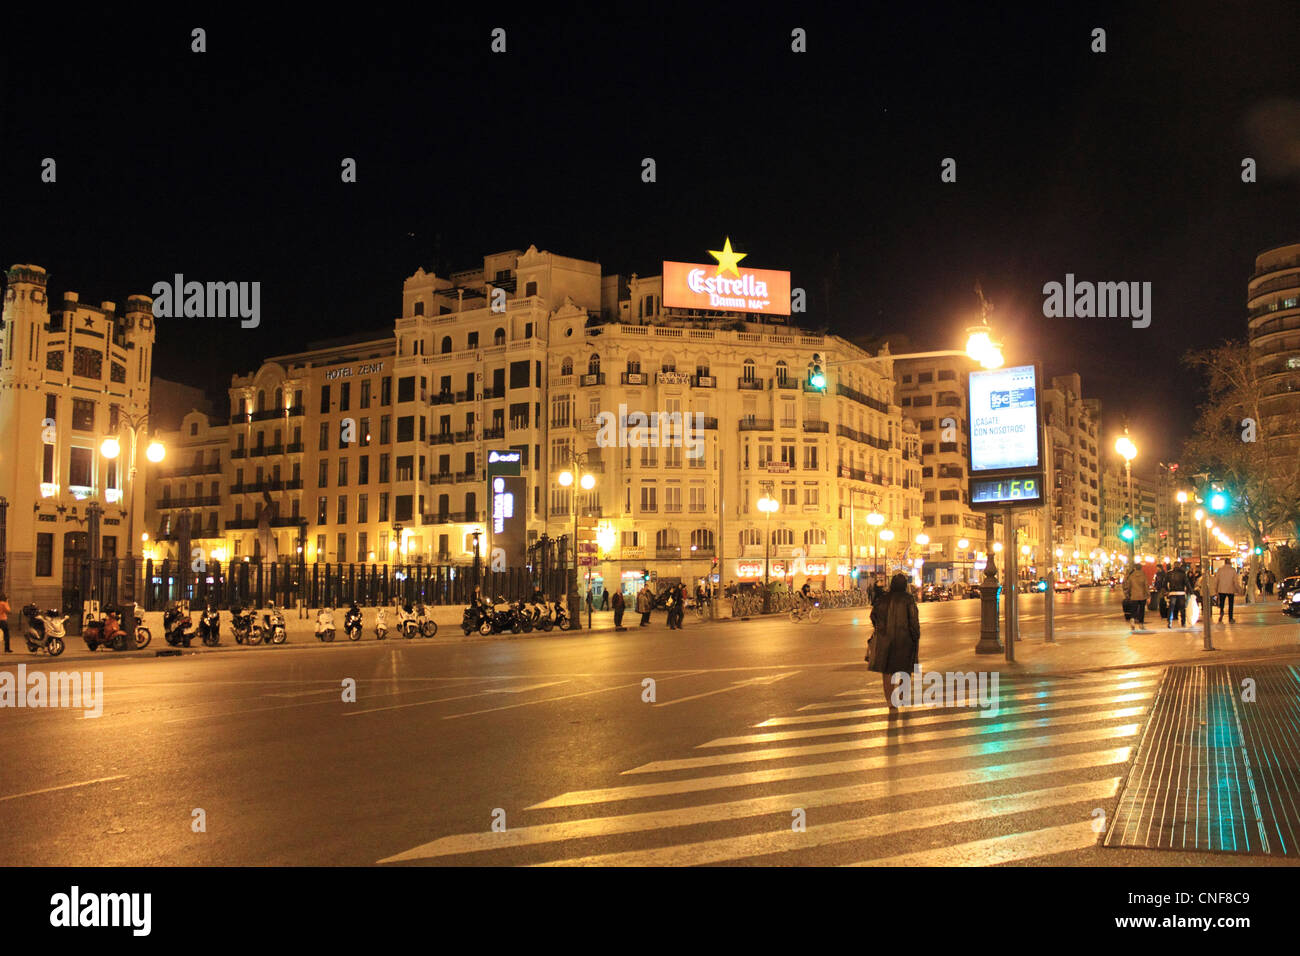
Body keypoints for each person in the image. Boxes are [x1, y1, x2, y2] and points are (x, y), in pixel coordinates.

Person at [865, 573, 921, 711]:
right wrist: (916, 636)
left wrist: (880, 628)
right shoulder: (908, 599)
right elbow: (913, 620)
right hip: (905, 639)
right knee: (905, 668)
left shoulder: (883, 599)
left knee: (887, 670)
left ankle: (890, 701)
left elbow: (873, 616)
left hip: (885, 639)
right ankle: (901, 695)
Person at [1122, 562, 1149, 631]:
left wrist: (1127, 593)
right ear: (1141, 568)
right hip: (1142, 595)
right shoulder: (1144, 575)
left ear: (1135, 568)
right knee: (1142, 610)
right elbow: (1146, 586)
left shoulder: (1131, 576)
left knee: (1133, 609)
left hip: (1134, 595)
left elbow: (1128, 586)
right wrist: (1148, 594)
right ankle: (1141, 624)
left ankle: (1132, 621)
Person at [1165, 561, 1189, 628]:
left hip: (1172, 592)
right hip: (1181, 593)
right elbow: (1187, 583)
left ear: (1173, 565)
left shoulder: (1169, 573)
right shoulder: (1183, 573)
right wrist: (1191, 592)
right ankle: (1183, 622)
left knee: (1171, 608)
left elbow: (1164, 583)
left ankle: (1169, 622)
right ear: (1179, 566)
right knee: (1182, 608)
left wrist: (1167, 590)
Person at [1214, 559, 1239, 623]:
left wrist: (1215, 588)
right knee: (1231, 604)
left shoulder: (1220, 570)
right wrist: (1238, 589)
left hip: (1221, 589)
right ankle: (1230, 618)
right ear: (1230, 562)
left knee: (1222, 602)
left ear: (1224, 562)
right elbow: (1235, 581)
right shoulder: (1233, 570)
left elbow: (1216, 580)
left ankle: (1221, 611)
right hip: (1230, 589)